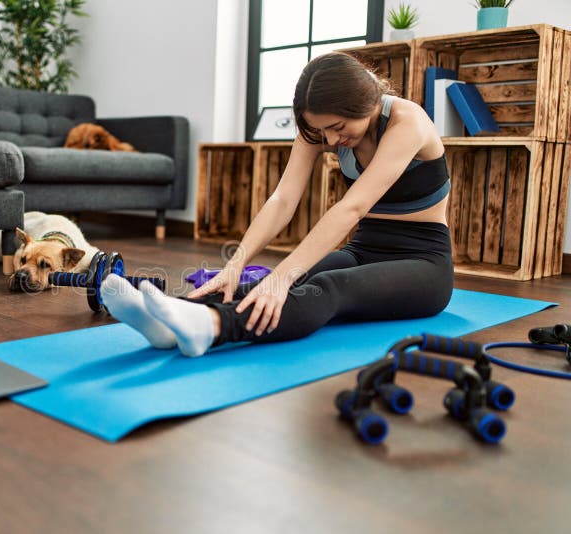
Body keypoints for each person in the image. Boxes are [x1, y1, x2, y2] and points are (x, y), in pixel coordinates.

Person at [101, 52, 453, 357]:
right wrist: (236, 263)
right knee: (266, 283)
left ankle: (211, 327)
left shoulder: (408, 122)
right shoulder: (318, 129)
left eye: (338, 127)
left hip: (423, 262)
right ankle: (169, 318)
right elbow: (283, 199)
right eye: (322, 131)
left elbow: (351, 208)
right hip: (364, 249)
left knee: (326, 288)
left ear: (369, 103)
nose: (330, 140)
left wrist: (283, 276)